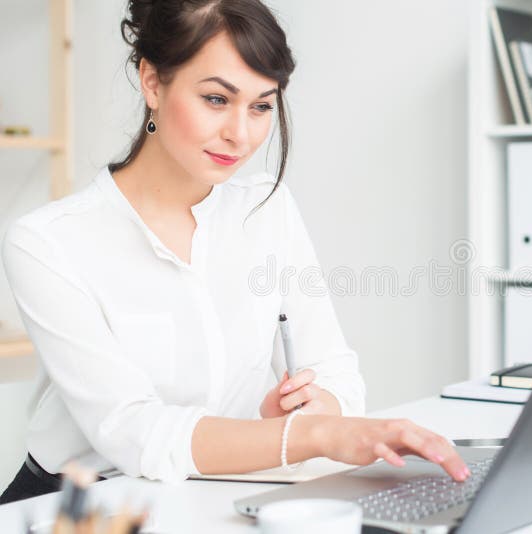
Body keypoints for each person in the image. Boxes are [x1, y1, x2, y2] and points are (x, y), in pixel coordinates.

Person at [0, 0, 468, 506]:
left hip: (212, 493)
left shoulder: (266, 211)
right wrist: (313, 437)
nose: (240, 135)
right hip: (75, 505)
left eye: (262, 106)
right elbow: (134, 432)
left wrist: (313, 409)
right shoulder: (49, 241)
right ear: (153, 82)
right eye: (216, 99)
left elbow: (335, 371)